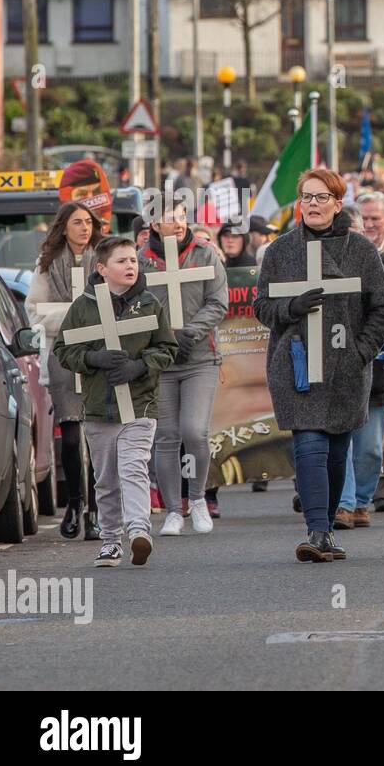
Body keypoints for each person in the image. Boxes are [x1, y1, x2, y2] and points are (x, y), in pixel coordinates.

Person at [254, 169, 384, 562]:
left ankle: (328, 528)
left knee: (336, 453)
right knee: (310, 446)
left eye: (320, 197)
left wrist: (360, 352)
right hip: (296, 365)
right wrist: (290, 307)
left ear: (337, 203)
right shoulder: (280, 251)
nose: (312, 204)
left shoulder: (361, 251)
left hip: (346, 368)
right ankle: (316, 532)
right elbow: (262, 307)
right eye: (306, 197)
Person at [55, 235, 178, 567]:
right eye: (122, 261)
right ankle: (110, 540)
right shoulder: (84, 306)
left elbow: (167, 348)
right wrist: (95, 359)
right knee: (106, 479)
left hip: (139, 403)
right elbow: (63, 349)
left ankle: (139, 531)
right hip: (98, 407)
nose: (130, 266)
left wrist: (139, 366)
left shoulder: (150, 303)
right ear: (102, 268)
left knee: (134, 468)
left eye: (134, 261)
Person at [140, 198, 228, 537]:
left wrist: (189, 333)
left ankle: (198, 499)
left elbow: (217, 302)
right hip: (160, 362)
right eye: (168, 219)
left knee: (194, 431)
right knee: (166, 437)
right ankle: (173, 511)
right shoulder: (143, 261)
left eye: (181, 217)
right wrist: (163, 338)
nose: (177, 224)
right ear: (153, 225)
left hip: (199, 358)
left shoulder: (205, 254)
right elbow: (134, 306)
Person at [25, 202, 102, 541]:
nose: (84, 228)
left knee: (99, 435)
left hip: (101, 352)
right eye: (77, 223)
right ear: (63, 227)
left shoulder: (104, 258)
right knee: (71, 436)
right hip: (63, 353)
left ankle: (96, 510)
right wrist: (78, 316)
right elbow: (36, 313)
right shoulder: (46, 265)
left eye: (88, 222)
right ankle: (73, 503)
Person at [330, 208, 384, 531]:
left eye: (362, 230)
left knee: (371, 448)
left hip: (373, 365)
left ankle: (362, 499)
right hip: (335, 366)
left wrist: (374, 337)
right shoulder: (326, 265)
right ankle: (345, 504)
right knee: (342, 441)